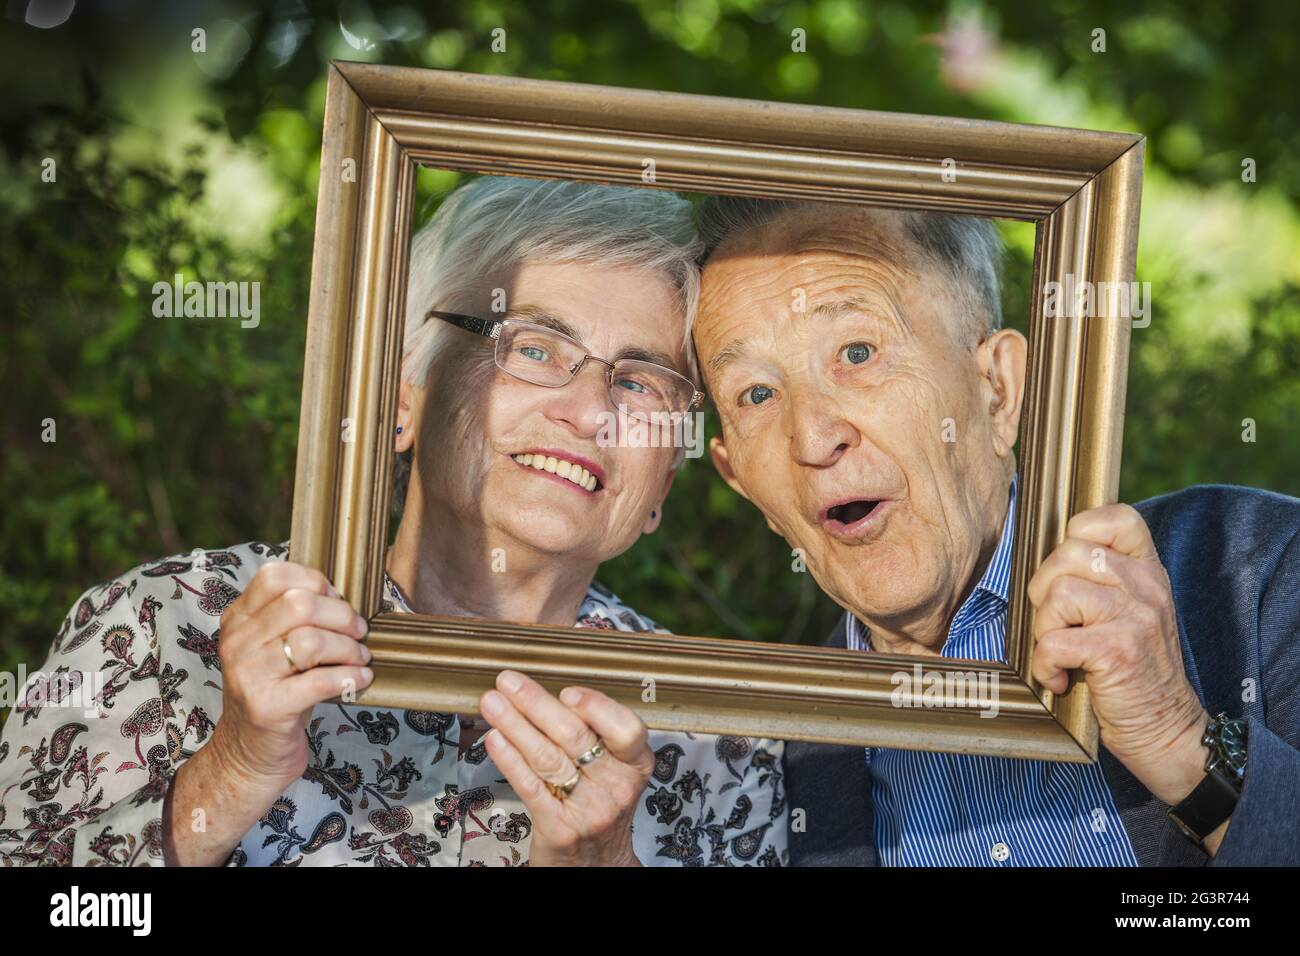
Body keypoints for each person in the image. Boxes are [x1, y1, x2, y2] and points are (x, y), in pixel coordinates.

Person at [0, 178, 787, 867]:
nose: (587, 412)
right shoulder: (163, 625)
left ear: (663, 481)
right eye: (535, 348)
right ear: (405, 395)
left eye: (641, 382)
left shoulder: (715, 738)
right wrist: (230, 771)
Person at [691, 194, 1300, 866]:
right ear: (742, 482)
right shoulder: (783, 769)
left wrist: (1181, 742)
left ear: (998, 391)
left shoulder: (1253, 567)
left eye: (858, 352)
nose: (811, 436)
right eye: (755, 393)